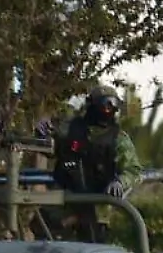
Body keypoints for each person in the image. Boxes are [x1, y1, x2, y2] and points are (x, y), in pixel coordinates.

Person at [51, 85, 144, 240]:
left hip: (98, 209)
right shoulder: (70, 129)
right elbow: (51, 146)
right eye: (104, 104)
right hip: (63, 203)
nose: (108, 110)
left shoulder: (118, 139)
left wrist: (120, 182)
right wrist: (43, 133)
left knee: (94, 246)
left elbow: (133, 170)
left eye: (112, 105)